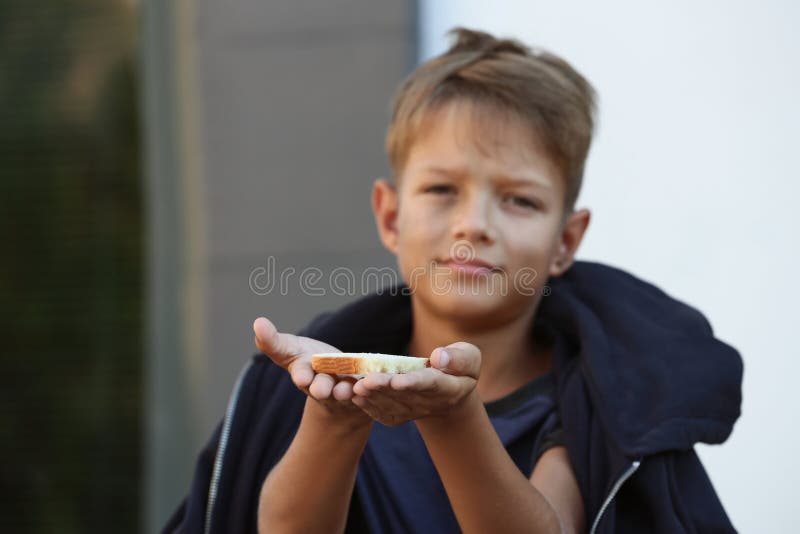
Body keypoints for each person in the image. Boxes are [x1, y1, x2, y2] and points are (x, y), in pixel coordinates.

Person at [163, 27, 742, 533]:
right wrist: (333, 421)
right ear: (390, 217)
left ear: (565, 241)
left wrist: (452, 417)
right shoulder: (313, 388)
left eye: (518, 200)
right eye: (442, 190)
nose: (474, 225)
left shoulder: (593, 401)